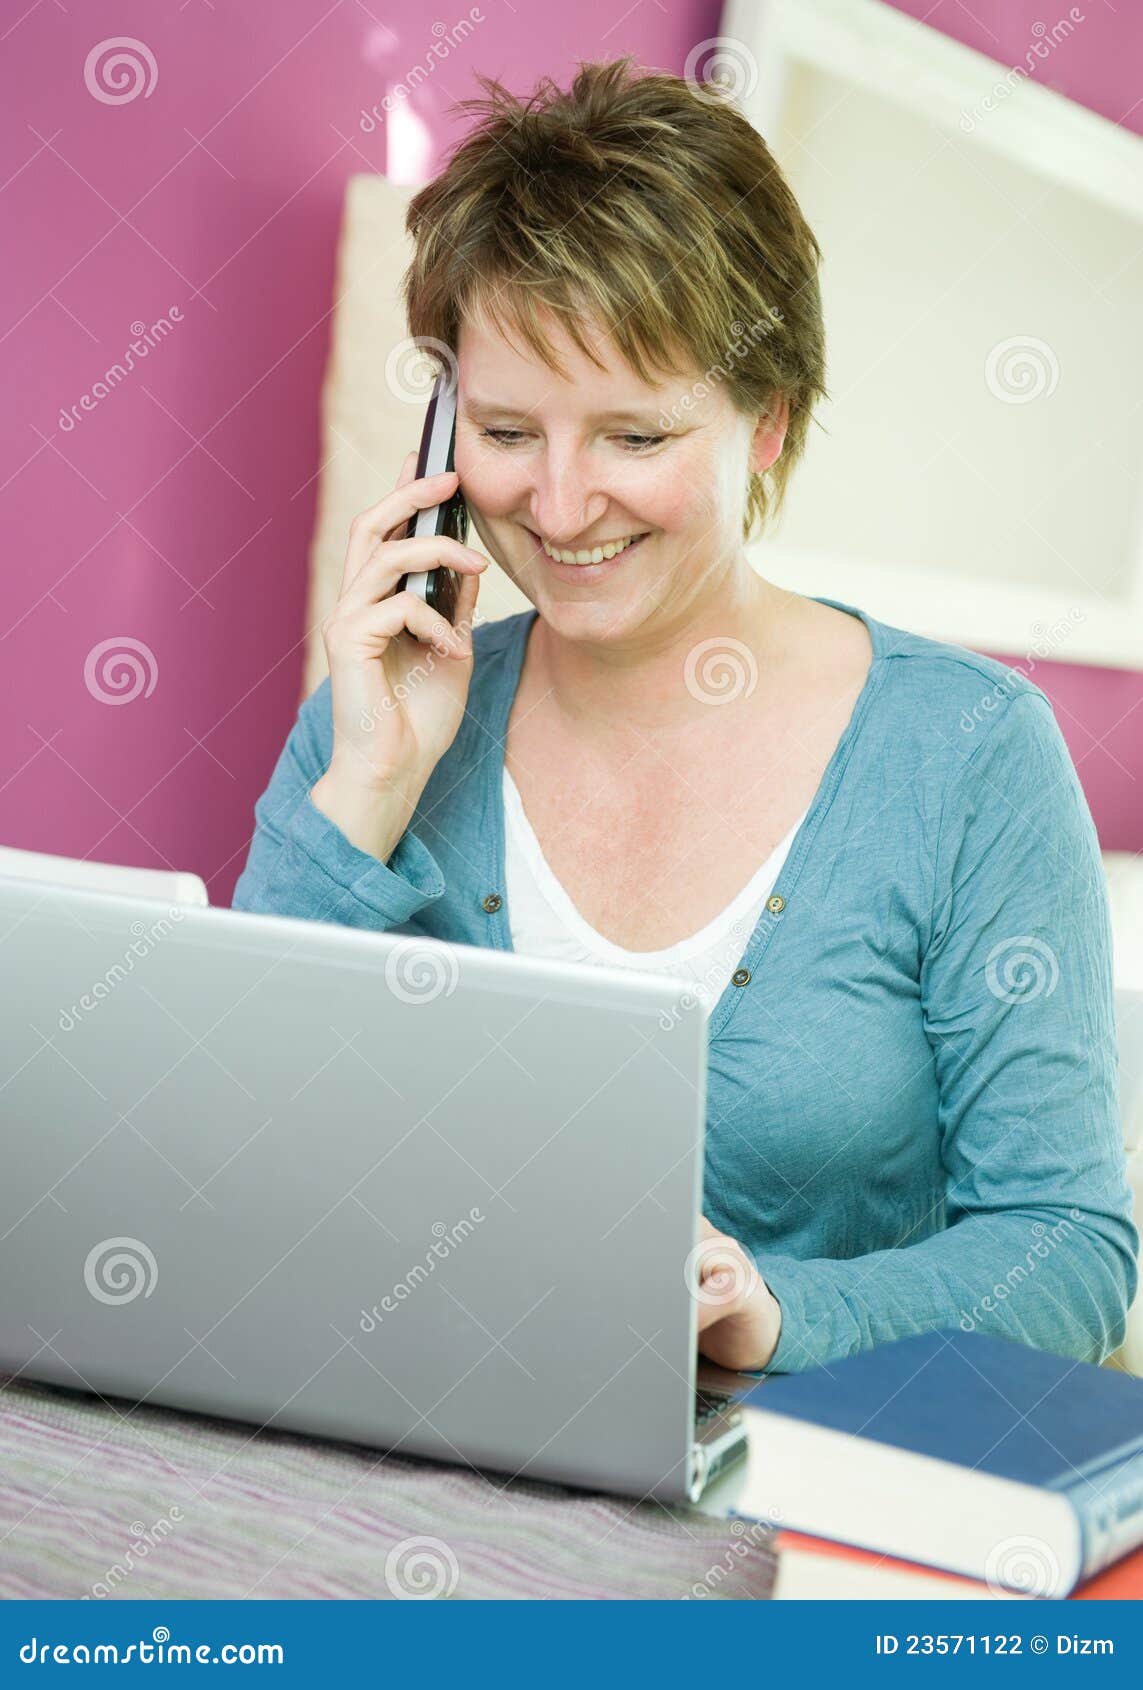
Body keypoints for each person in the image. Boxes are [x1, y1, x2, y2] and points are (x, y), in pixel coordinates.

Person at [233, 57, 1138, 1375]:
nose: (556, 501)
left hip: (794, 1508)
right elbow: (220, 1153)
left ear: (767, 421)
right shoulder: (377, 719)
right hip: (396, 1453)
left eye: (633, 438)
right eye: (503, 429)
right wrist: (367, 790)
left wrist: (774, 1314)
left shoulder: (970, 754)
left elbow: (1067, 1249)